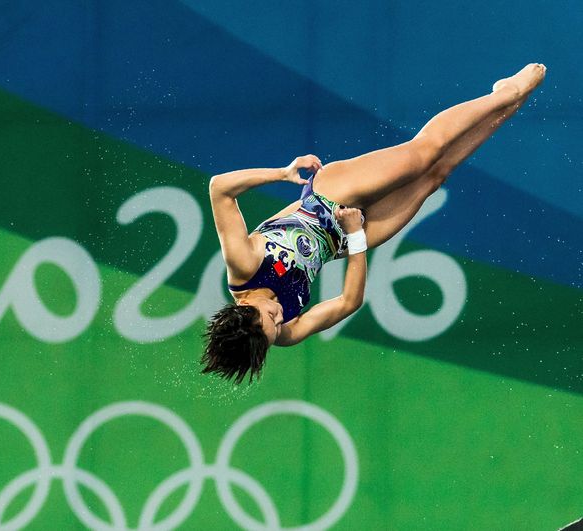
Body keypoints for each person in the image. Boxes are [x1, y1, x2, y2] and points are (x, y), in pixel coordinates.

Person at [202, 63, 546, 383]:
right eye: (275, 329)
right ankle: (507, 108)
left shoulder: (244, 265)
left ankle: (506, 94)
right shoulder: (286, 333)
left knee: (425, 155)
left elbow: (220, 189)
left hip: (330, 194)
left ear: (244, 306)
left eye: (270, 318)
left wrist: (282, 173)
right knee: (435, 176)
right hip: (349, 235)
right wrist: (355, 236)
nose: (280, 318)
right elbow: (348, 302)